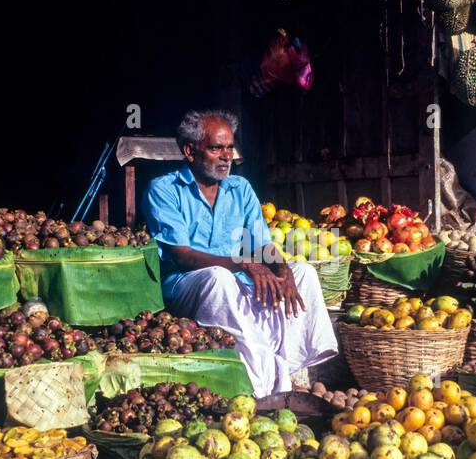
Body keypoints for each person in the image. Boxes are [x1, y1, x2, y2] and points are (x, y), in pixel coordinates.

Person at [144, 110, 338, 397]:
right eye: (216, 148)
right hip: (189, 284)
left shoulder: (240, 188)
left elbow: (261, 245)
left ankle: (287, 371)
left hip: (239, 277)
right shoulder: (165, 189)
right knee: (218, 277)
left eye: (229, 148)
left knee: (303, 272)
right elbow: (182, 256)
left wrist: (282, 270)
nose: (226, 156)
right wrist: (243, 264)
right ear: (190, 151)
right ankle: (257, 386)